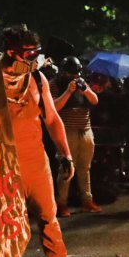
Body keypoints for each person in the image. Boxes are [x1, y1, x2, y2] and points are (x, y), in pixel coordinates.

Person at [0, 25, 75, 257]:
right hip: (1, 165)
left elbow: (51, 118)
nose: (34, 59)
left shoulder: (37, 78)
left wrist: (66, 155)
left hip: (35, 160)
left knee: (48, 216)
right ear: (11, 52)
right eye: (29, 54)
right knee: (7, 225)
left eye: (36, 53)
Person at [50, 56, 101, 215]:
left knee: (85, 168)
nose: (74, 76)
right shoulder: (54, 84)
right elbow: (54, 106)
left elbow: (95, 100)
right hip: (67, 131)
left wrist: (85, 90)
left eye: (77, 73)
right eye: (71, 73)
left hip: (85, 130)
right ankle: (61, 204)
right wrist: (68, 91)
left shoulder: (81, 83)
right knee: (66, 168)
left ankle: (87, 200)